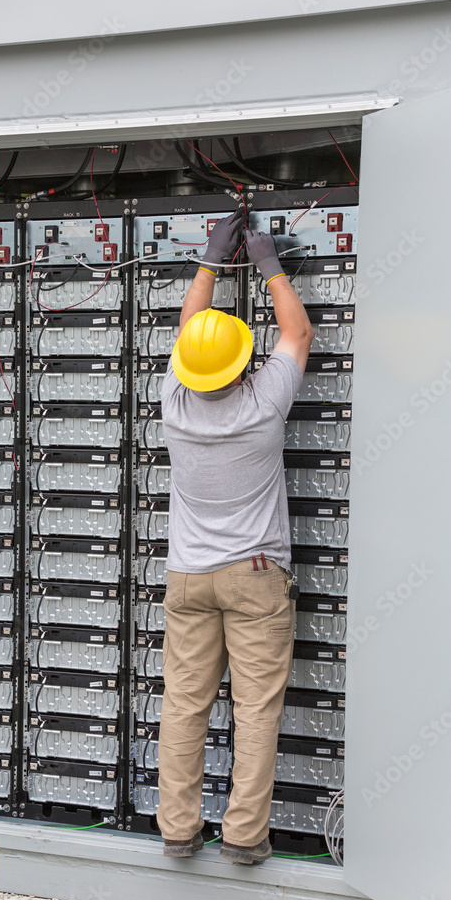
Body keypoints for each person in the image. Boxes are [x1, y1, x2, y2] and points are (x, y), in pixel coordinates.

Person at [156, 205, 314, 864]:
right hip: (253, 578)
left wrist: (209, 261)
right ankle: (245, 838)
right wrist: (268, 263)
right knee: (253, 710)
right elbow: (297, 334)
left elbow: (189, 335)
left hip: (188, 578)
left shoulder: (173, 398)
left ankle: (177, 830)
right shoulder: (262, 403)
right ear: (242, 363)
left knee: (184, 706)